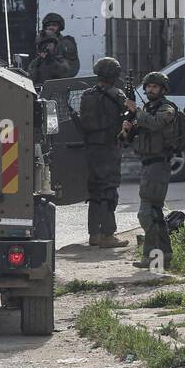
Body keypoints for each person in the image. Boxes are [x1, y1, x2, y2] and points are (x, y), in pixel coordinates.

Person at [123, 71, 180, 269]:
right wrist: (128, 128)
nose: (150, 90)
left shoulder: (167, 108)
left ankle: (152, 257)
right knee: (154, 212)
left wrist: (137, 111)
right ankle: (163, 256)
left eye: (154, 87)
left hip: (159, 165)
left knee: (146, 214)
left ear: (163, 89)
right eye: (147, 87)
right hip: (148, 165)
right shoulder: (149, 109)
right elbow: (130, 138)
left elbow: (156, 124)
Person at [78, 57, 129, 248]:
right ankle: (108, 235)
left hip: (91, 148)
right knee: (108, 190)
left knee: (95, 190)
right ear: (114, 75)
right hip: (109, 148)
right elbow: (130, 116)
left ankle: (94, 234)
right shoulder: (117, 95)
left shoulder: (86, 95)